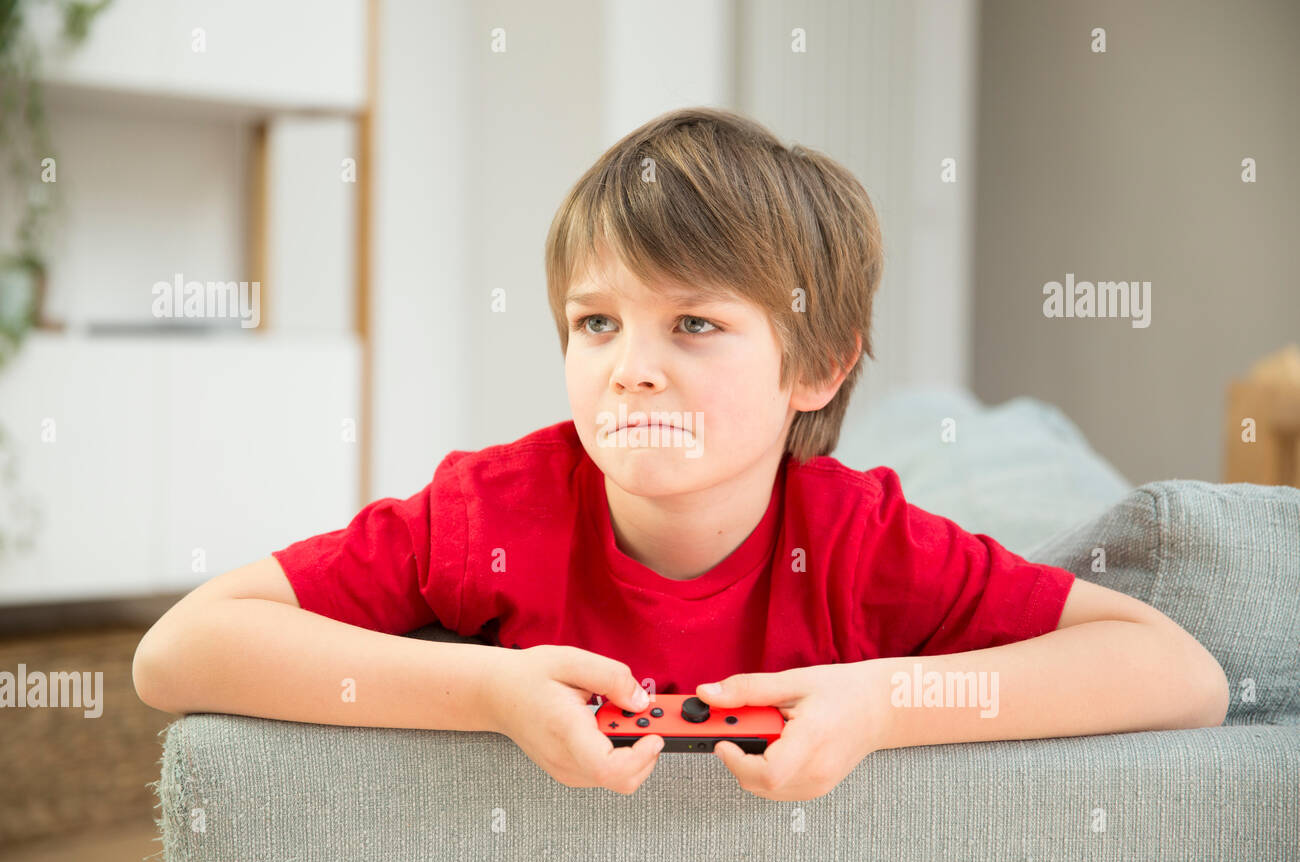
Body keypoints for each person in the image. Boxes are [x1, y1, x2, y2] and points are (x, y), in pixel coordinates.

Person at [133, 107, 1228, 802]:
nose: (629, 367)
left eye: (692, 324)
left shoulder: (859, 538)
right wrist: (490, 688)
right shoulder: (489, 508)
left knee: (1003, 446)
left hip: (865, 485)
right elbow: (177, 652)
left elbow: (1182, 674)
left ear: (818, 366)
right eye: (597, 322)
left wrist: (886, 703)